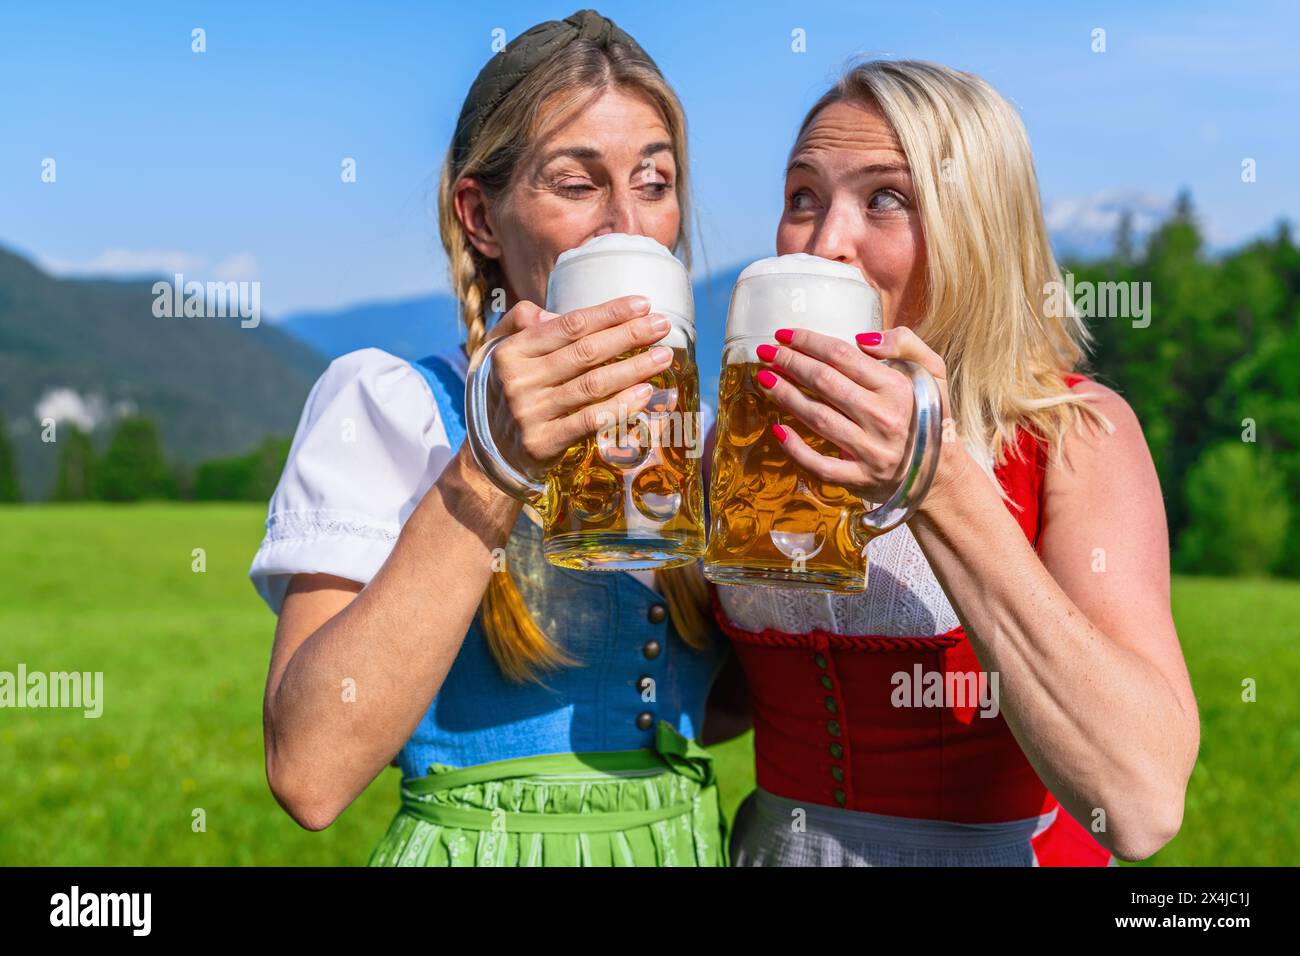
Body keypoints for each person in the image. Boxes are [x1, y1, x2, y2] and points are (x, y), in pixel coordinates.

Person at [249, 9, 728, 867]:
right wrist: (492, 464)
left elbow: (714, 704)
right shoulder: (391, 408)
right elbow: (309, 772)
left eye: (654, 183)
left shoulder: (689, 434)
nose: (626, 223)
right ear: (479, 216)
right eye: (578, 185)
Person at [707, 59, 1200, 866]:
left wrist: (936, 483)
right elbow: (699, 702)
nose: (825, 242)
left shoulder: (1071, 434)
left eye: (886, 199)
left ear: (979, 229)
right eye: (803, 197)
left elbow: (1142, 803)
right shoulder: (745, 437)